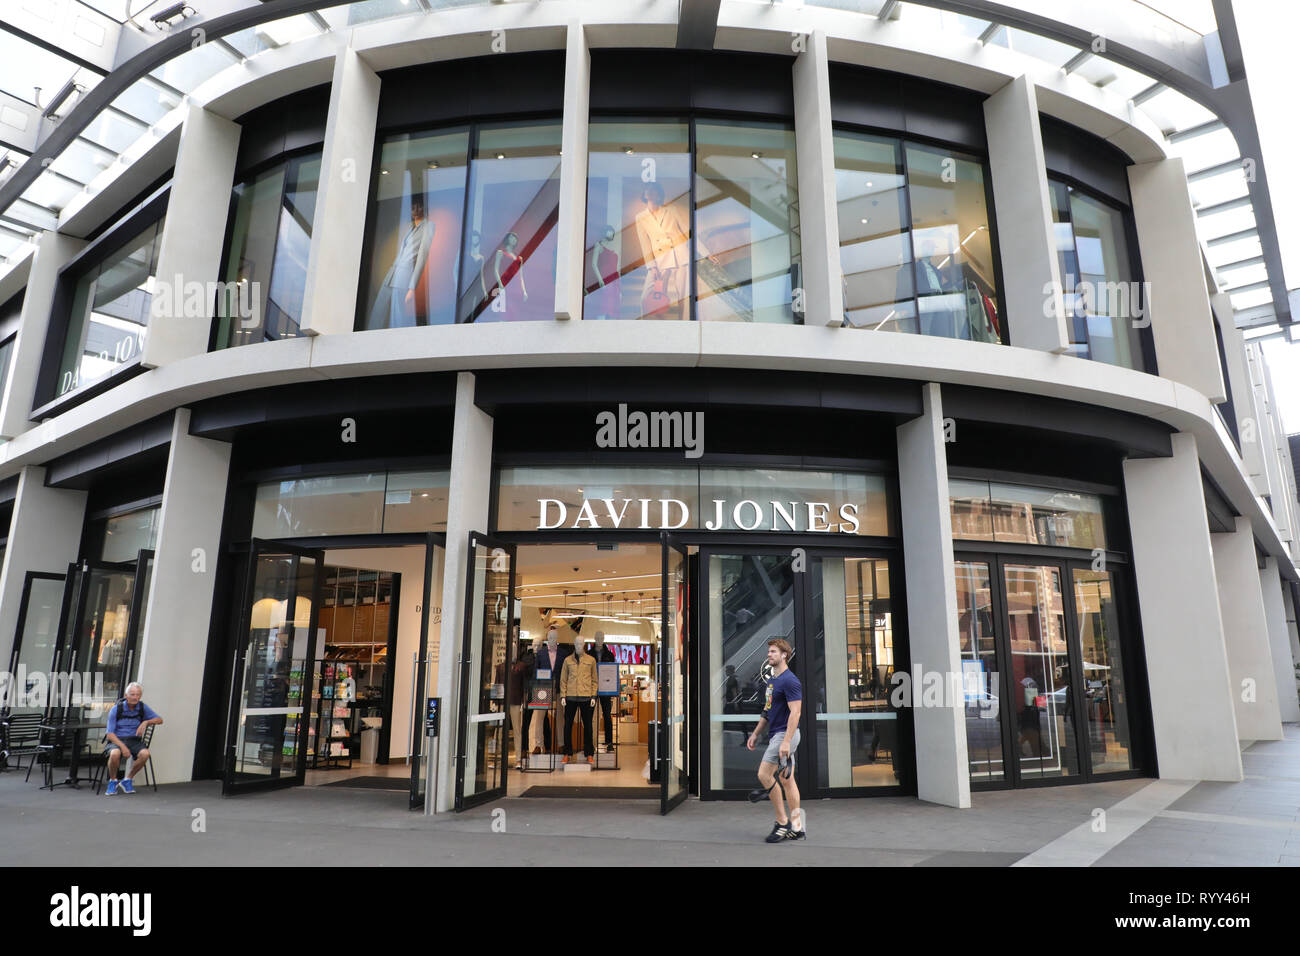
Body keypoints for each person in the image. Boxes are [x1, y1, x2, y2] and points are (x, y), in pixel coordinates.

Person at [746, 639, 804, 842]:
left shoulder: (790, 680)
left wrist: (786, 742)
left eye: (773, 652)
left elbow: (795, 712)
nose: (769, 655)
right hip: (777, 734)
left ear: (784, 655)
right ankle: (797, 827)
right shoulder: (772, 681)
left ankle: (782, 823)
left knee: (764, 774)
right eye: (769, 651)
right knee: (787, 781)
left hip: (784, 735)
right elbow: (767, 710)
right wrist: (755, 733)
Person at [102, 682, 162, 795]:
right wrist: (123, 747)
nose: (135, 697)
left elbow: (160, 720)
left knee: (145, 754)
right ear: (126, 695)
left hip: (134, 740)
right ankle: (113, 781)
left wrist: (146, 722)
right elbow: (109, 734)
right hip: (117, 740)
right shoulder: (116, 709)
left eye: (138, 695)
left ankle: (127, 779)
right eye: (132, 694)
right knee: (115, 753)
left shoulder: (142, 707)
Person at [559, 640, 597, 763]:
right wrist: (563, 696)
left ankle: (589, 753)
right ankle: (567, 752)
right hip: (570, 697)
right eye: (577, 644)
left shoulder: (591, 660)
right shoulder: (567, 660)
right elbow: (563, 679)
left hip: (586, 696)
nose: (579, 646)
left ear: (584, 645)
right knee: (568, 725)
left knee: (588, 726)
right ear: (574, 645)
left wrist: (593, 696)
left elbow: (594, 680)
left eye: (581, 644)